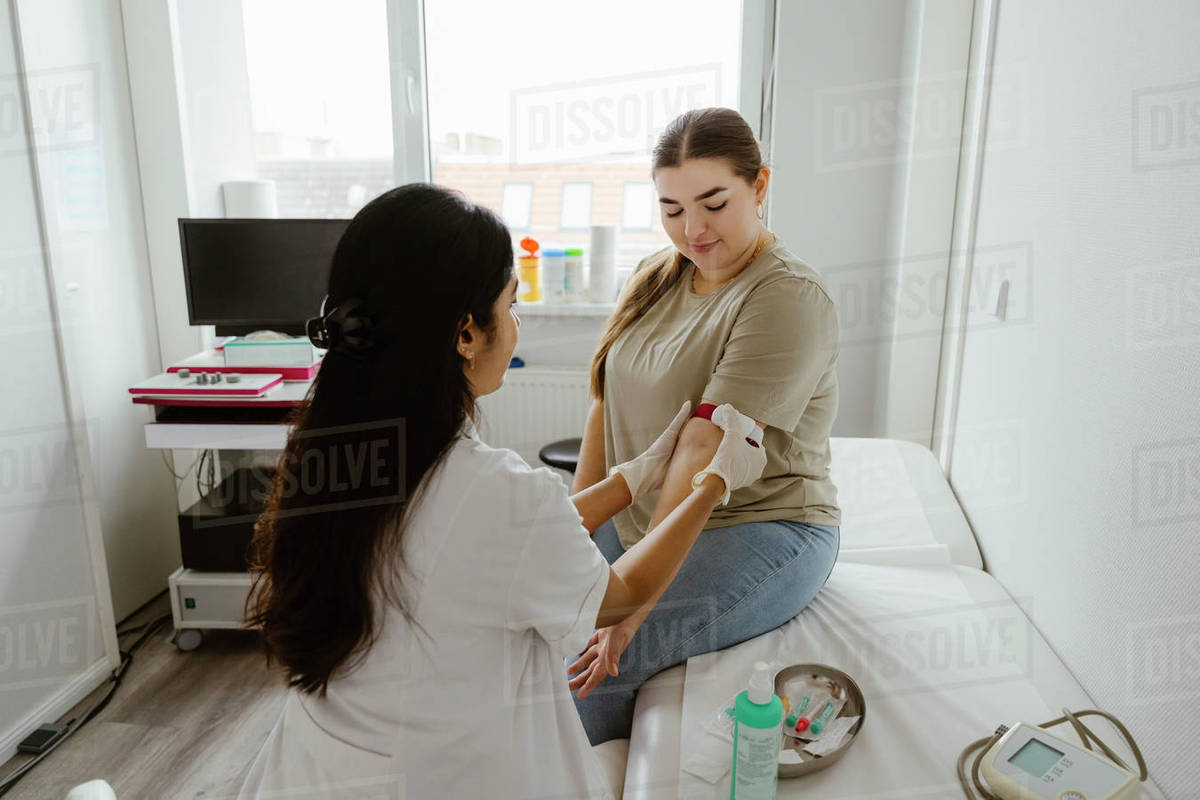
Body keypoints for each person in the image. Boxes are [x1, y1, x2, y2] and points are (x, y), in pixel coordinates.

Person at [235, 182, 768, 800]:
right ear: (465, 332)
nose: (515, 325)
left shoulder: (339, 452)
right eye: (511, 306)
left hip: (314, 767)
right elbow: (615, 600)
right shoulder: (496, 491)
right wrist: (713, 482)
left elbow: (473, 541)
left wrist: (634, 478)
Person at [567, 107, 843, 745]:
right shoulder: (654, 277)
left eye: (714, 203)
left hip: (762, 524)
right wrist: (573, 525)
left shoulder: (786, 297)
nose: (692, 229)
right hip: (647, 520)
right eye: (671, 209)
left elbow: (703, 444)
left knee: (593, 671)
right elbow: (603, 410)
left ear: (761, 186)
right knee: (533, 631)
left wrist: (634, 608)